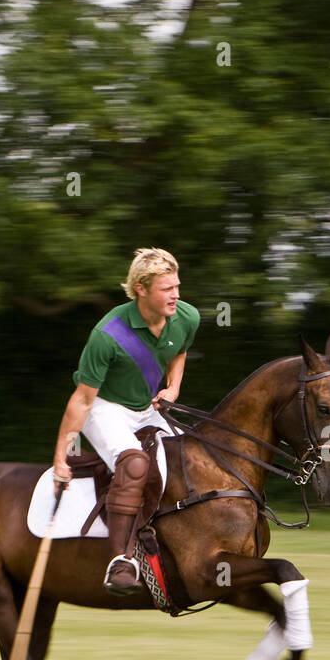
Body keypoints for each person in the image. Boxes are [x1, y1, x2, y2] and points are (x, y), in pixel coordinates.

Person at [52, 248, 200, 594]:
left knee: (190, 457)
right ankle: (121, 559)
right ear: (140, 289)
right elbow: (83, 399)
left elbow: (180, 349)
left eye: (177, 286)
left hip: (148, 407)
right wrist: (61, 458)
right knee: (135, 465)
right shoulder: (107, 335)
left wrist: (173, 387)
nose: (176, 295)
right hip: (105, 408)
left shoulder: (186, 316)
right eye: (167, 289)